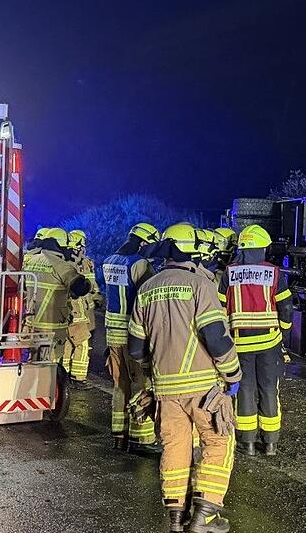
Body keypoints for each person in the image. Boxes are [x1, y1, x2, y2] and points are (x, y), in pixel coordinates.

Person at [130, 223, 241, 533]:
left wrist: (158, 372)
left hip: (165, 390)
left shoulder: (147, 289)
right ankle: (205, 515)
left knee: (174, 449)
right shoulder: (199, 285)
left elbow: (136, 348)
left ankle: (176, 519)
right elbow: (216, 338)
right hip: (203, 386)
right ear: (192, 251)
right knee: (218, 442)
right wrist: (233, 373)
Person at [219, 224, 292, 456]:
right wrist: (284, 331)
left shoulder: (229, 274)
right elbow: (287, 308)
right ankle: (271, 443)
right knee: (270, 389)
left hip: (239, 344)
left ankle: (248, 443)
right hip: (269, 343)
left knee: (244, 390)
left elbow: (219, 308)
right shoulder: (274, 273)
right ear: (262, 248)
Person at [101, 222, 160, 452]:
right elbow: (149, 295)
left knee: (119, 383)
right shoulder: (140, 264)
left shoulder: (109, 261)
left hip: (112, 333)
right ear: (144, 242)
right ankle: (142, 438)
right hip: (133, 332)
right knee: (141, 383)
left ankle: (119, 435)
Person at [23, 228, 94, 367]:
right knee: (50, 367)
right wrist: (87, 283)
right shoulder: (59, 264)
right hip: (51, 326)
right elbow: (80, 287)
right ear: (61, 245)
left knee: (34, 362)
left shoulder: (31, 260)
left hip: (31, 323)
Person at [62, 229, 100, 382]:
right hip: (78, 311)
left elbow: (91, 285)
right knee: (82, 344)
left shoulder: (66, 263)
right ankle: (78, 377)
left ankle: (63, 373)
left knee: (68, 342)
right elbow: (88, 287)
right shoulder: (79, 264)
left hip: (76, 310)